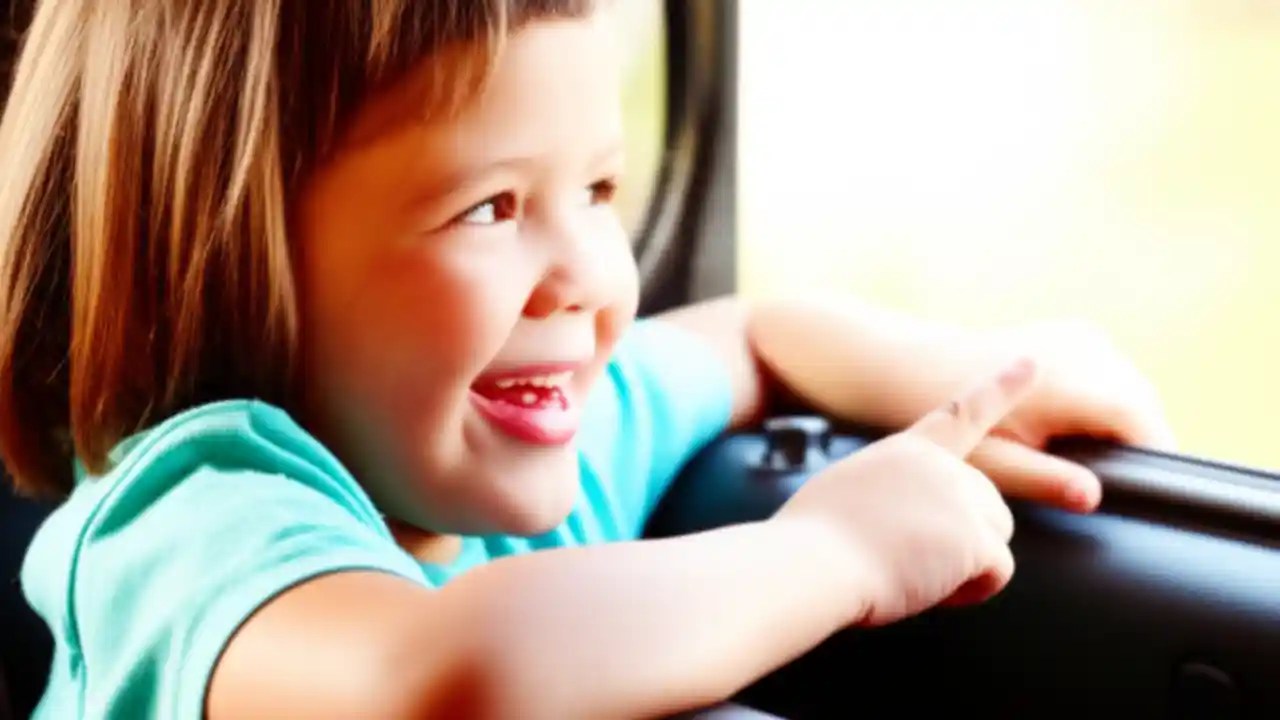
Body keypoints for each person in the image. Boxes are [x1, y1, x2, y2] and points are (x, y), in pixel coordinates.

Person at [0, 1, 1174, 718]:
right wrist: (833, 551)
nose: (590, 276)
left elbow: (746, 333)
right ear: (229, 256)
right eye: (490, 207)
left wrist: (961, 375)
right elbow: (445, 680)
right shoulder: (188, 526)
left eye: (601, 189)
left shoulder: (527, 460)